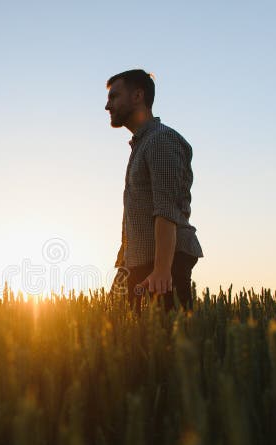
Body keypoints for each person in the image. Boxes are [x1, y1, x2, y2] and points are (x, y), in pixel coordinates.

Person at [105, 69, 203, 312]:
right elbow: (136, 214)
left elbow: (166, 209)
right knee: (130, 337)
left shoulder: (160, 141)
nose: (108, 106)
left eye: (114, 97)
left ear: (138, 96)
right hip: (140, 263)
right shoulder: (143, 143)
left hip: (161, 267)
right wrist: (123, 267)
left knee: (167, 341)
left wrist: (162, 269)